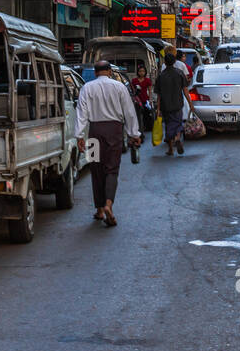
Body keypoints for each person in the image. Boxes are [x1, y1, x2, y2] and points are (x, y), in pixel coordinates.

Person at [75, 60, 141, 227]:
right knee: (111, 169)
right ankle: (108, 205)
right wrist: (134, 134)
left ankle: (99, 210)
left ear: (96, 72)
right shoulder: (119, 87)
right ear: (110, 72)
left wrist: (79, 136)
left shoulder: (87, 88)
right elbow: (129, 112)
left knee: (95, 169)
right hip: (114, 131)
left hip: (94, 132)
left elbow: (81, 113)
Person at [154, 50, 189, 156]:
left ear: (165, 62)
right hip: (178, 103)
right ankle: (178, 138)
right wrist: (191, 104)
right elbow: (185, 90)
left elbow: (158, 95)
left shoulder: (161, 76)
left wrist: (158, 109)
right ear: (174, 62)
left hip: (165, 105)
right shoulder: (180, 73)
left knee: (169, 125)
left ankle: (170, 149)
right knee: (178, 122)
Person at [131, 63, 154, 131]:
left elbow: (150, 91)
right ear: (138, 72)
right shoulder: (134, 80)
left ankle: (146, 127)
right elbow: (132, 90)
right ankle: (139, 127)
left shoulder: (147, 80)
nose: (141, 73)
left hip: (145, 99)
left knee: (146, 114)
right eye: (140, 71)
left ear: (145, 72)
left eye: (143, 71)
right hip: (137, 100)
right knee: (137, 114)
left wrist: (150, 100)